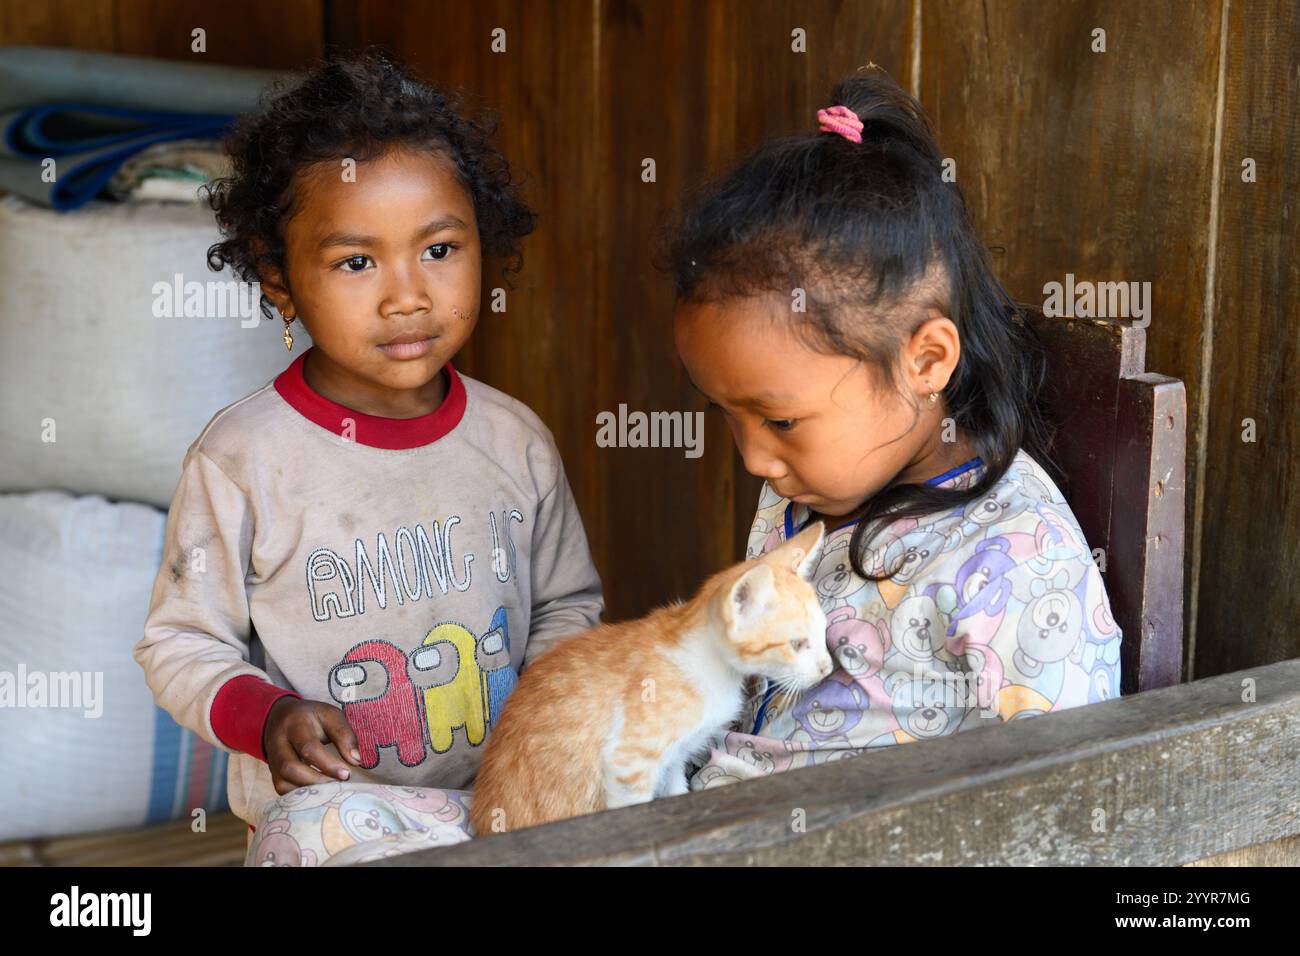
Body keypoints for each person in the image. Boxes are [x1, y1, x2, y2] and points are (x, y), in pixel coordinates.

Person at [133, 51, 603, 865]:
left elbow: (568, 605)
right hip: (343, 818)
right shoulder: (243, 459)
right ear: (279, 278)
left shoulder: (515, 439)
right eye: (356, 262)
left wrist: (547, 735)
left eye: (440, 249)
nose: (407, 295)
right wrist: (267, 715)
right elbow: (180, 643)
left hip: (506, 795)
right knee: (309, 833)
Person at [666, 68, 1122, 790]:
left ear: (927, 360)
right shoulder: (819, 487)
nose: (755, 457)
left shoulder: (1015, 566)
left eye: (779, 420)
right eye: (729, 415)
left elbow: (1060, 799)